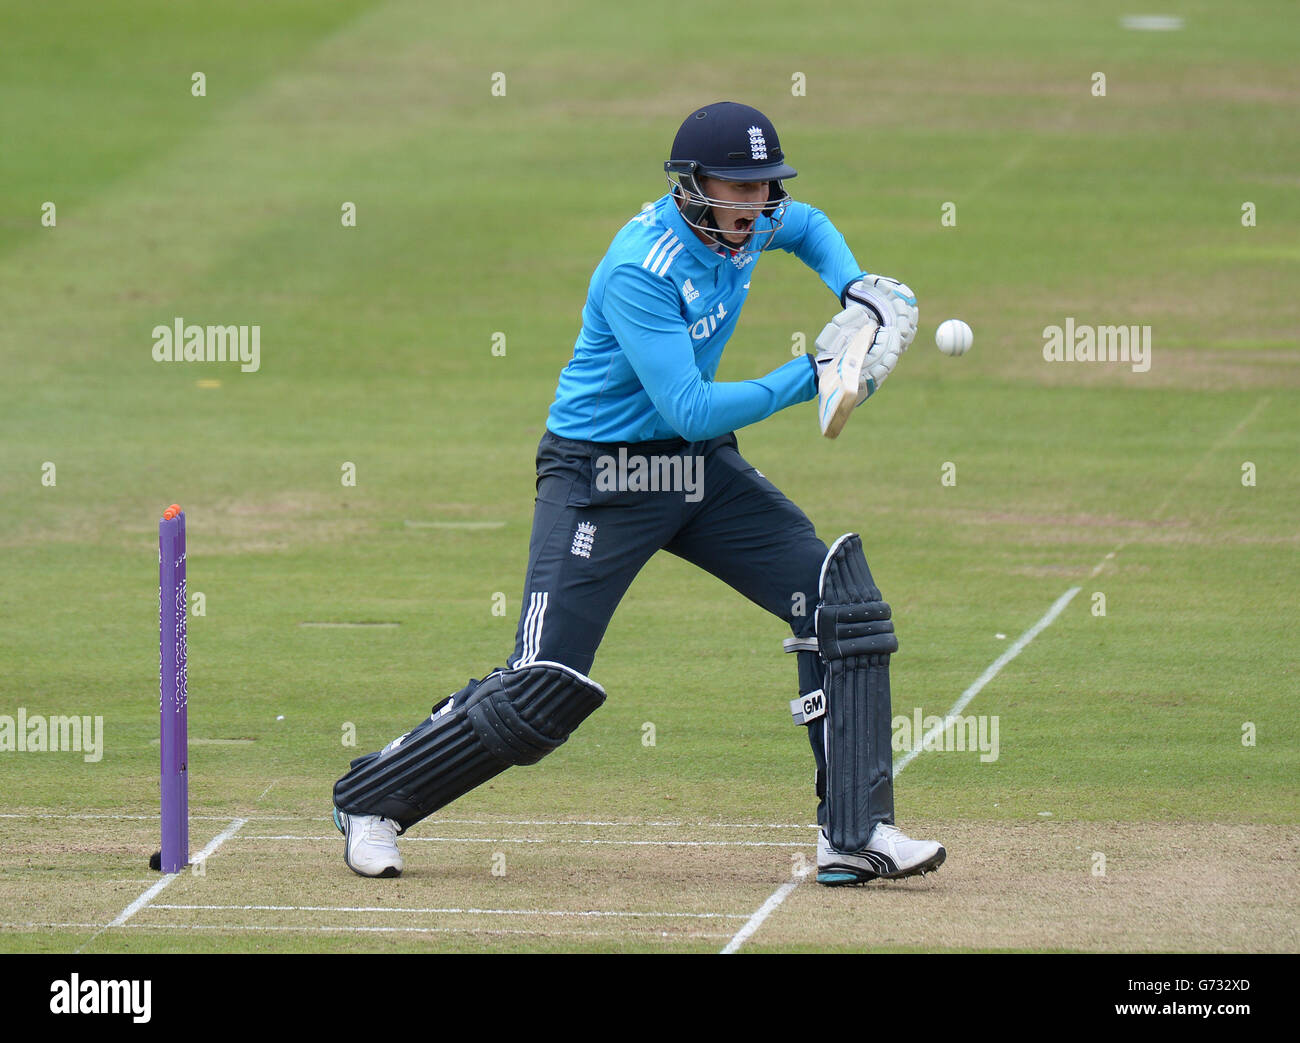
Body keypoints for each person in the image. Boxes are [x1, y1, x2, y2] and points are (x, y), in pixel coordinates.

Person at [331, 101, 946, 886]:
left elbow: (812, 224)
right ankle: (372, 799)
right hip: (603, 476)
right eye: (738, 188)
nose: (756, 206)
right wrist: (814, 373)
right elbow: (686, 405)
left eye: (766, 188)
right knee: (539, 691)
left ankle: (855, 833)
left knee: (837, 606)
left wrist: (854, 288)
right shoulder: (640, 268)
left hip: (695, 470)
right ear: (692, 187)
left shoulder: (752, 222)